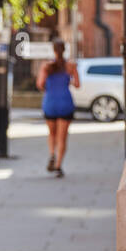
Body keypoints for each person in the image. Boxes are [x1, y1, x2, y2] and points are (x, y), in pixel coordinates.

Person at [36, 39, 79, 177]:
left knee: (52, 133)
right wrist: (68, 81)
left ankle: (52, 154)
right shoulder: (71, 66)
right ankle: (59, 166)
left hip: (51, 102)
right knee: (62, 137)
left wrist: (50, 87)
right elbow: (77, 84)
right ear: (64, 50)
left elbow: (40, 84)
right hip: (65, 102)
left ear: (54, 50)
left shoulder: (46, 66)